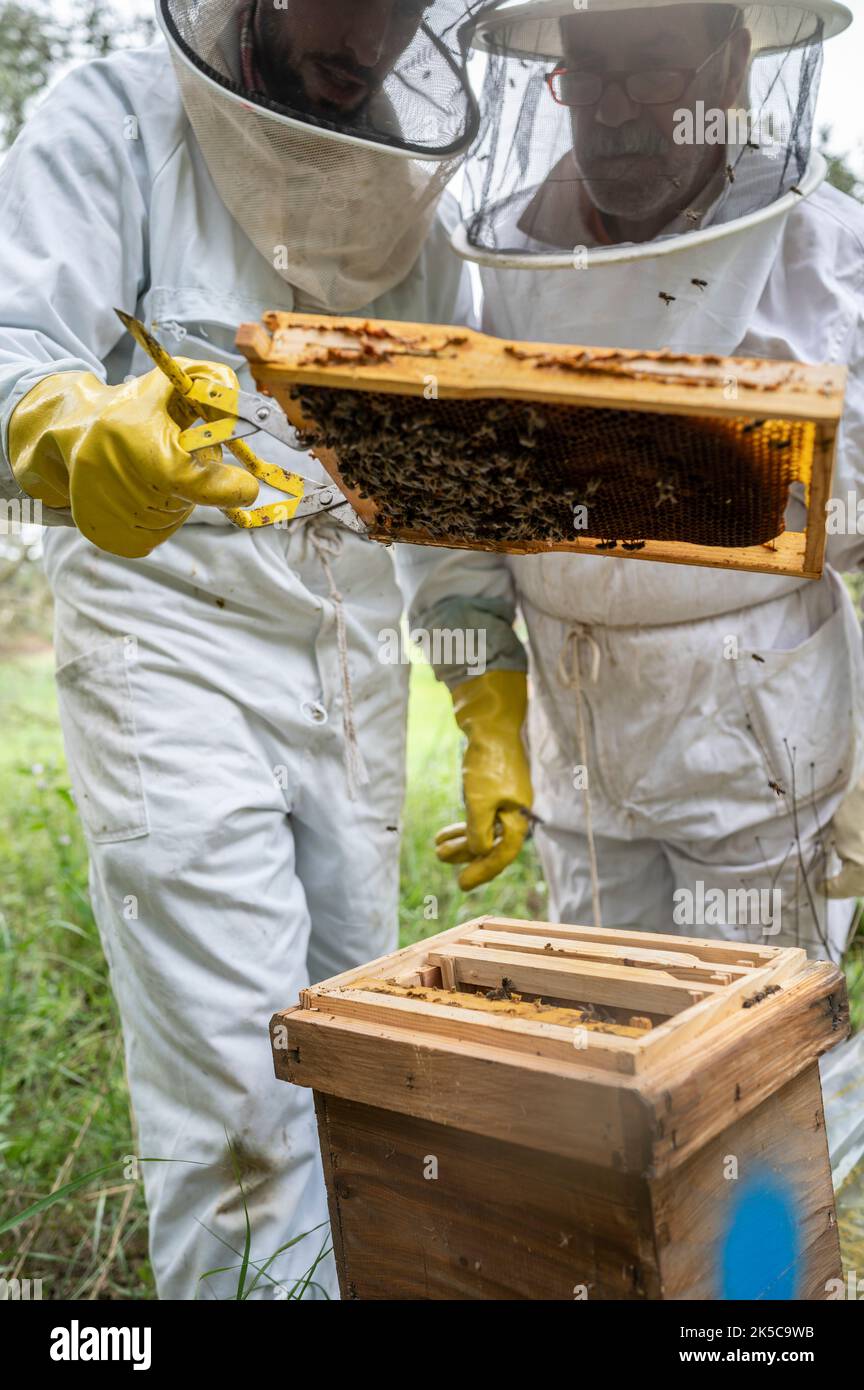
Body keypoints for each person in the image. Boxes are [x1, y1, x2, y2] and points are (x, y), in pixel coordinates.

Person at [0, 0, 478, 1300]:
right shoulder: (115, 121)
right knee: (240, 1093)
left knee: (360, 1051)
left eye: (396, 4)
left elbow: (440, 492)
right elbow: (10, 339)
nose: (363, 28)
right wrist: (75, 422)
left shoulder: (413, 216)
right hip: (171, 655)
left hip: (353, 676)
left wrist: (485, 692)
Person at [400, 0, 864, 960]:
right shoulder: (507, 262)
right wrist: (484, 700)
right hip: (582, 748)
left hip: (763, 749)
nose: (612, 112)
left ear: (730, 68)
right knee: (614, 1043)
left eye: (652, 71)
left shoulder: (829, 255)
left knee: (763, 1063)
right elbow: (466, 502)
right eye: (587, 75)